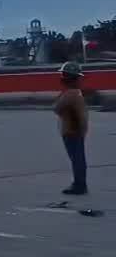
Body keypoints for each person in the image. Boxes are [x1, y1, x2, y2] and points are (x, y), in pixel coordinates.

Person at [54, 62, 89, 195]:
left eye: (63, 75)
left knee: (77, 159)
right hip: (77, 130)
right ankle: (80, 183)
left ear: (69, 78)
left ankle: (79, 185)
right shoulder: (76, 93)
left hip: (72, 131)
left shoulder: (70, 94)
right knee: (78, 158)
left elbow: (57, 108)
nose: (61, 77)